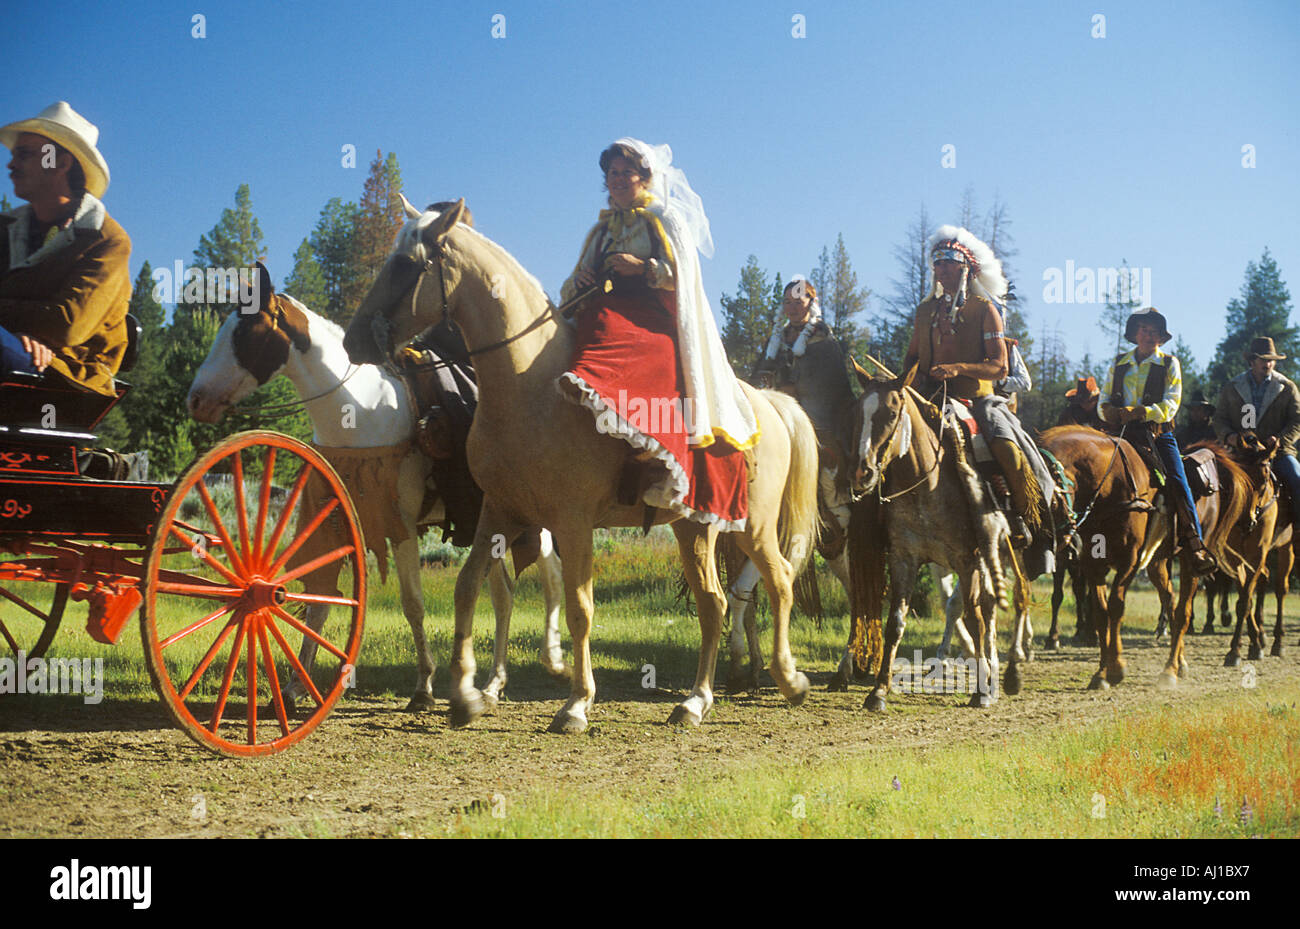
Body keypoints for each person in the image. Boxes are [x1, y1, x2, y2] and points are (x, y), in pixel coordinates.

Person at [556, 139, 757, 529]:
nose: (616, 180)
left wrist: (642, 267)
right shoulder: (599, 232)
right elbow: (570, 290)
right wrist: (580, 280)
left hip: (652, 316)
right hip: (601, 312)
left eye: (624, 173)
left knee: (657, 356)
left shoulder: (663, 219)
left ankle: (654, 456)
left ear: (644, 176)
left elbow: (683, 276)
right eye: (611, 174)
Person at [903, 225, 1054, 558]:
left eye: (948, 263)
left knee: (1009, 451)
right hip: (928, 395)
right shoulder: (925, 311)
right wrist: (899, 385)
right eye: (937, 263)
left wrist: (959, 369)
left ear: (965, 267)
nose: (941, 270)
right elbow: (913, 356)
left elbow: (999, 367)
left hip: (978, 400)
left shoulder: (985, 310)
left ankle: (1030, 520)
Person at [0, 101, 130, 395]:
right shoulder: (5, 228)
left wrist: (14, 329)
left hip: (65, 375)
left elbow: (66, 325)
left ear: (59, 162)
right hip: (19, 352)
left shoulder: (107, 240)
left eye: (24, 154)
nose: (10, 164)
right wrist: (18, 331)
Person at [1099, 307, 1214, 573]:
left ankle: (1195, 543)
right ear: (1135, 334)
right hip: (1118, 431)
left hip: (1157, 433)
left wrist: (1142, 412)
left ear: (1161, 338)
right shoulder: (1118, 363)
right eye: (1144, 330)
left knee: (1177, 478)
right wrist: (1108, 411)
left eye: (1154, 332)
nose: (1148, 335)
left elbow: (1172, 403)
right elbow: (1104, 397)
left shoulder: (1169, 364)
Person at [1212, 336, 1300, 524]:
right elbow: (1219, 419)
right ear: (1252, 361)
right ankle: (1204, 536)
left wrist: (1280, 440)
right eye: (1263, 359)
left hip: (1278, 453)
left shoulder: (1287, 387)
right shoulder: (1233, 387)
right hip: (1240, 452)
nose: (1268, 364)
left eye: (1271, 360)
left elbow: (1297, 420)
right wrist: (1229, 436)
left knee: (1297, 479)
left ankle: (1298, 535)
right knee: (1209, 482)